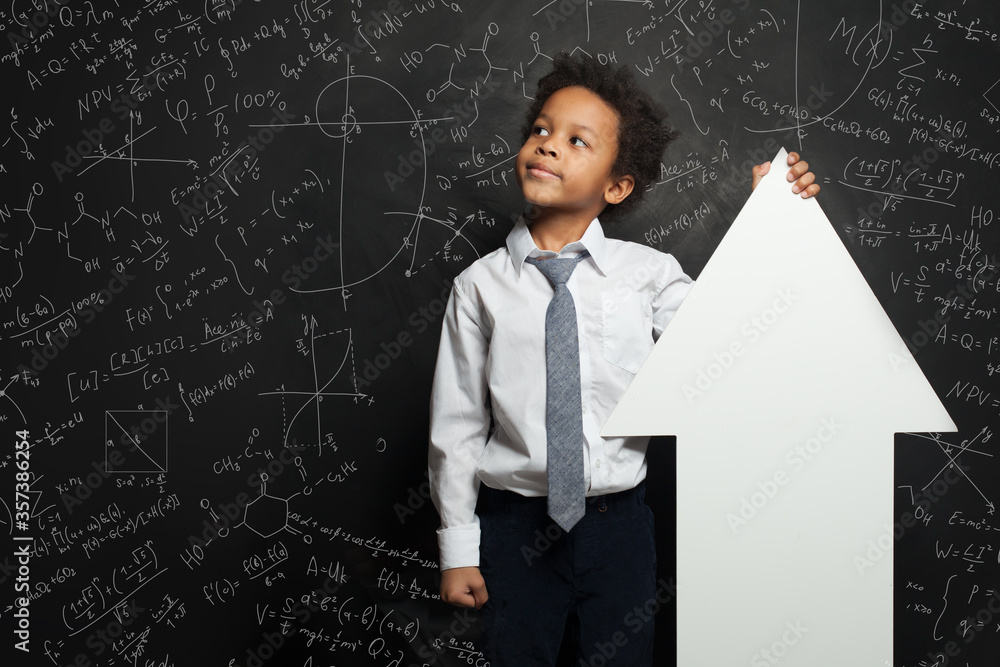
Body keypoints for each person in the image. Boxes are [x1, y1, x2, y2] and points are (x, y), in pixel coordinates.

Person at [427, 52, 819, 666]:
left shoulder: (648, 277)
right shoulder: (478, 287)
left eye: (577, 140)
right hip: (513, 527)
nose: (549, 146)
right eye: (541, 130)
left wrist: (768, 219)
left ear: (617, 185)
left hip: (618, 528)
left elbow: (728, 333)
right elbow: (457, 427)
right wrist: (458, 549)